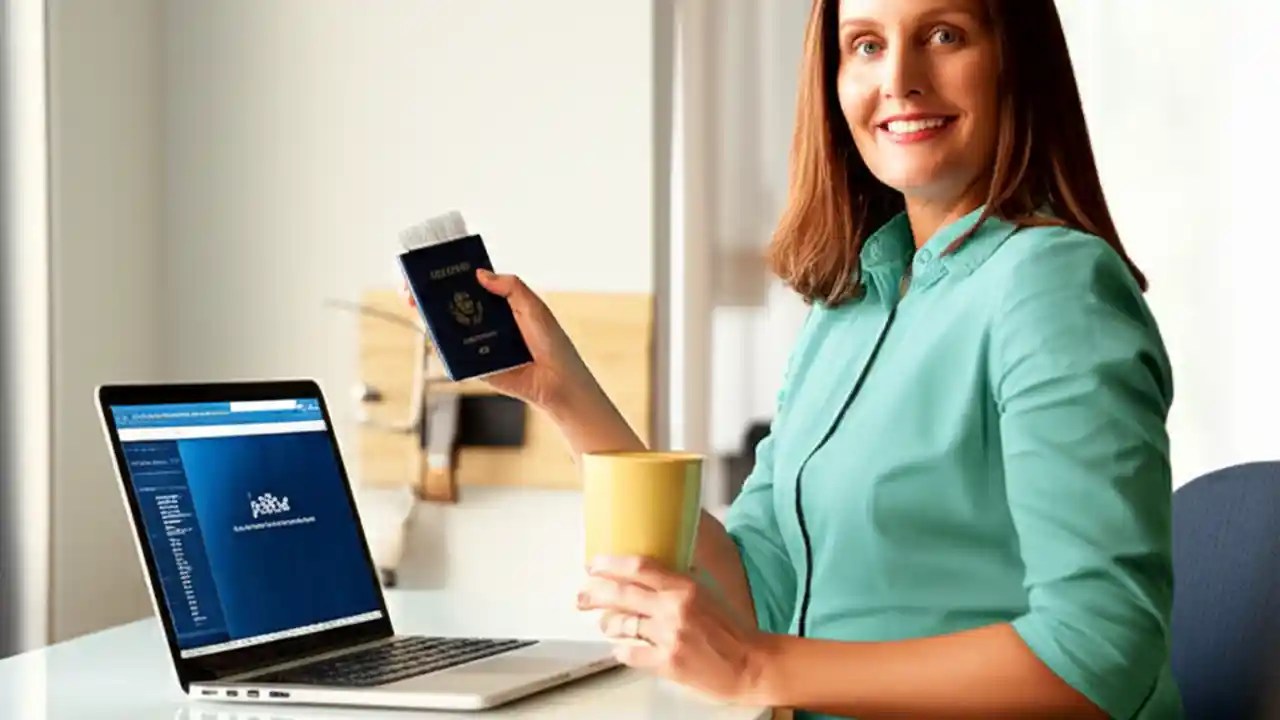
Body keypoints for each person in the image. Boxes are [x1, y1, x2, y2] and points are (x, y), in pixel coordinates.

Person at [468, 0, 1180, 716]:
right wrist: (564, 393)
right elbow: (758, 590)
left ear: (1013, 61)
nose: (899, 78)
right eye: (865, 45)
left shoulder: (1051, 286)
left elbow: (1098, 653)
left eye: (943, 35)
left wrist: (754, 669)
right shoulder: (852, 306)